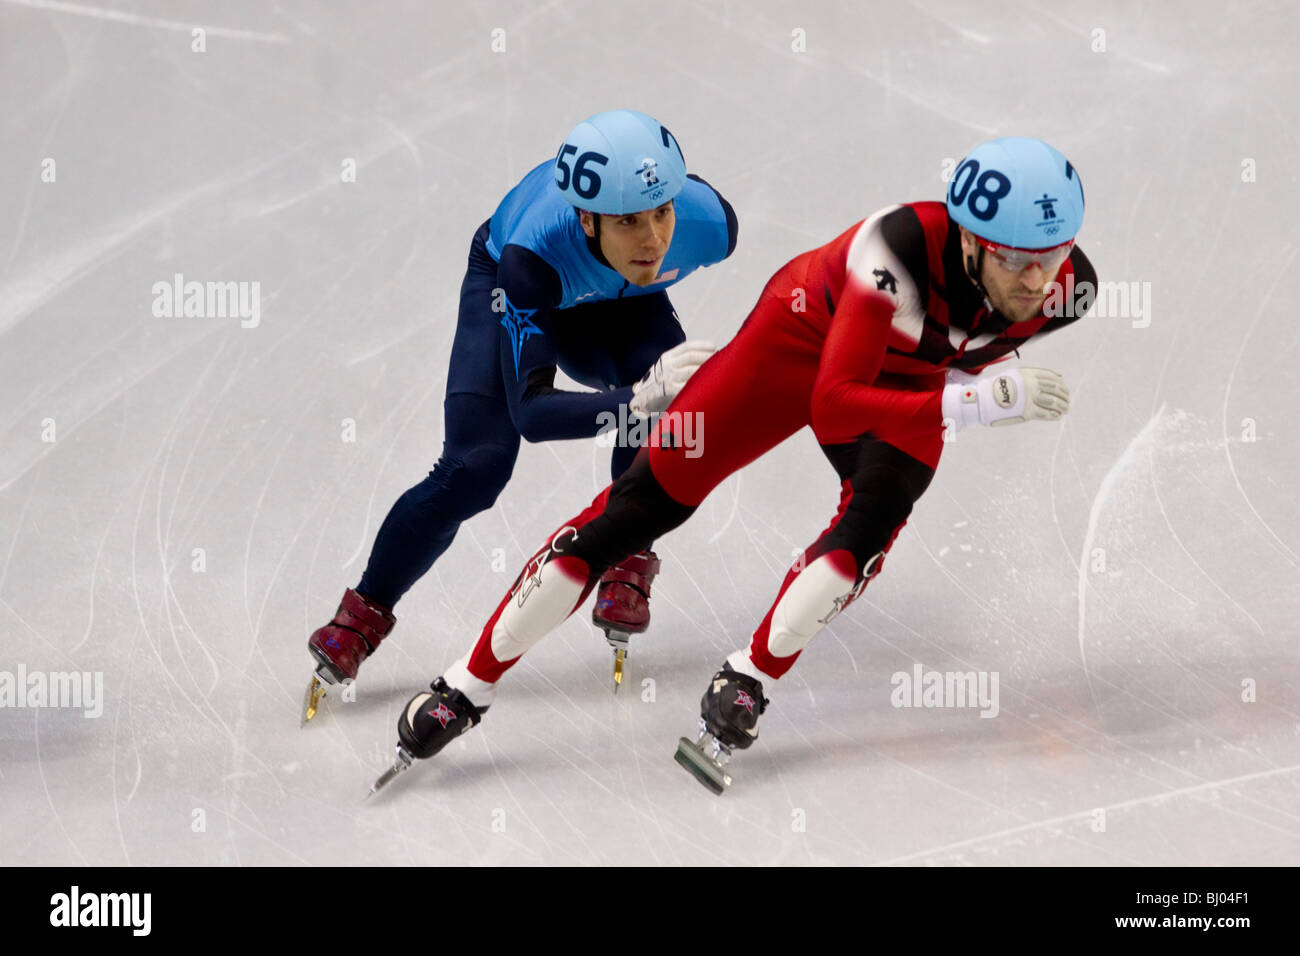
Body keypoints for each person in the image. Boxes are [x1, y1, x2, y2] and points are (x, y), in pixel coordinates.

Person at [376, 136, 1095, 793]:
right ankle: (464, 688)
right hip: (801, 347)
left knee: (867, 533)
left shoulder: (1071, 291)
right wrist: (970, 404)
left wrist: (956, 392)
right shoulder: (892, 251)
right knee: (638, 506)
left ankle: (747, 679)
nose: (1035, 281)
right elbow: (838, 405)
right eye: (1012, 259)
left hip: (909, 376)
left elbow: (956, 350)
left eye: (1052, 255)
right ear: (970, 239)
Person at [303, 110, 738, 720]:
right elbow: (532, 413)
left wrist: (657, 398)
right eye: (629, 221)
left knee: (669, 405)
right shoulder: (528, 257)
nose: (653, 240)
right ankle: (361, 615)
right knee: (476, 467)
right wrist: (635, 400)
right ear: (587, 218)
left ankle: (626, 548)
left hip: (619, 299)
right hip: (527, 285)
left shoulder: (710, 225)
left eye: (662, 212)